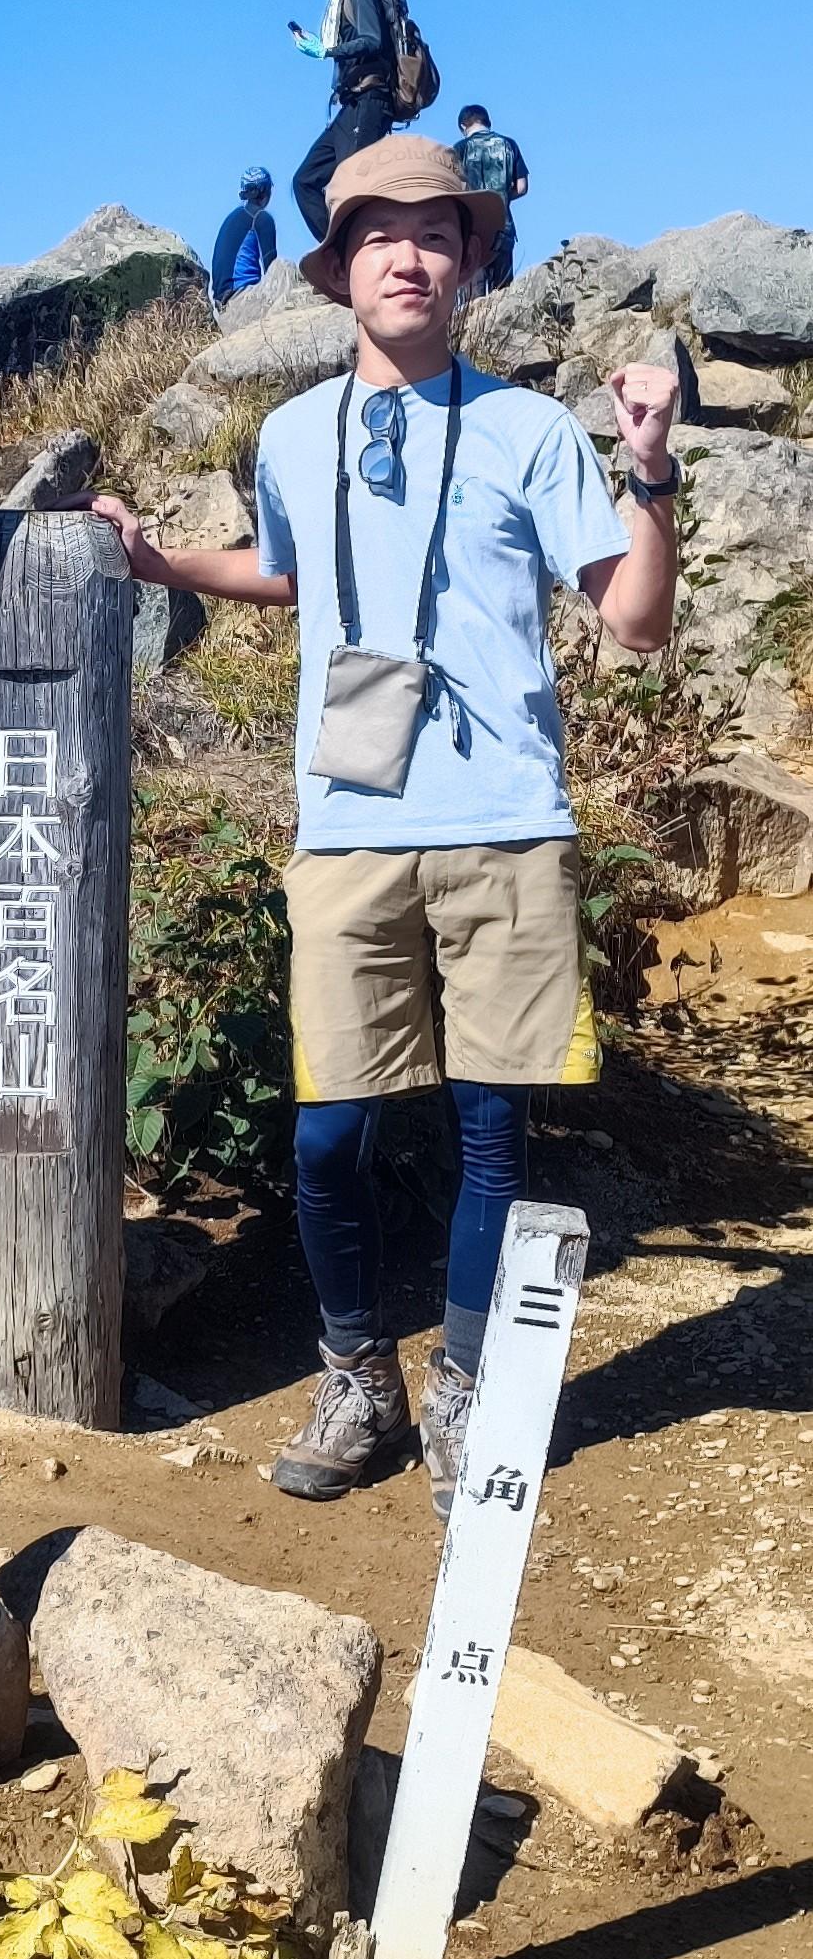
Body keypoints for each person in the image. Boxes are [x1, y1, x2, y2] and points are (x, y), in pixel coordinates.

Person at [92, 136, 681, 1518]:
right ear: (343, 267)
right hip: (349, 826)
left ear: (474, 264)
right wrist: (165, 562)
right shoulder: (293, 433)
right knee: (326, 1135)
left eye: (438, 235)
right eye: (381, 237)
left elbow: (636, 622)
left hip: (505, 822)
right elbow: (289, 574)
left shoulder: (534, 431)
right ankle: (360, 1372)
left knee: (489, 1132)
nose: (410, 256)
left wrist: (646, 469)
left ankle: (465, 1387)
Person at [289, 0, 396, 239]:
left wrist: (328, 51)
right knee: (305, 181)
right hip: (350, 103)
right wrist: (325, 46)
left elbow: (372, 39)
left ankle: (362, 251)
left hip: (370, 99)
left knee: (355, 185)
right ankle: (339, 250)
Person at [455, 104, 528, 290]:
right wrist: (500, 197)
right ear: (487, 122)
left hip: (472, 231)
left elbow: (453, 188)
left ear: (464, 126)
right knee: (503, 296)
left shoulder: (460, 148)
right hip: (503, 230)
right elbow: (521, 188)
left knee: (473, 302)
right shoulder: (509, 144)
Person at [211, 167, 278, 305]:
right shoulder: (261, 218)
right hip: (241, 296)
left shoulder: (232, 218)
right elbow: (272, 268)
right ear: (265, 190)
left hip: (220, 298)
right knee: (285, 268)